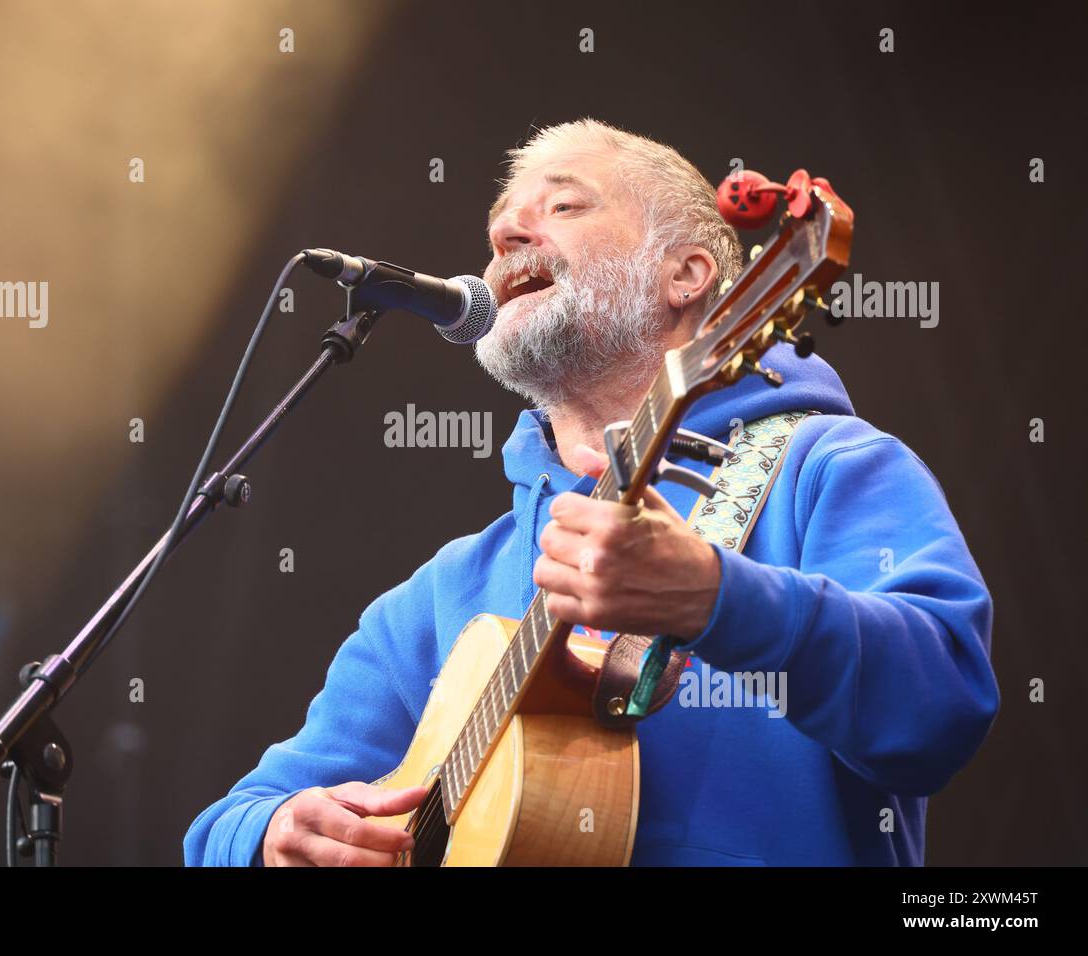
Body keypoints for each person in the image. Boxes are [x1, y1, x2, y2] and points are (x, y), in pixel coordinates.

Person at [183, 118, 999, 866]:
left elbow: (944, 708)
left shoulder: (828, 468)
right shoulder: (442, 594)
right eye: (501, 218)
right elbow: (221, 827)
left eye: (563, 204)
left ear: (687, 274)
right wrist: (275, 836)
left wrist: (721, 599)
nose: (504, 231)